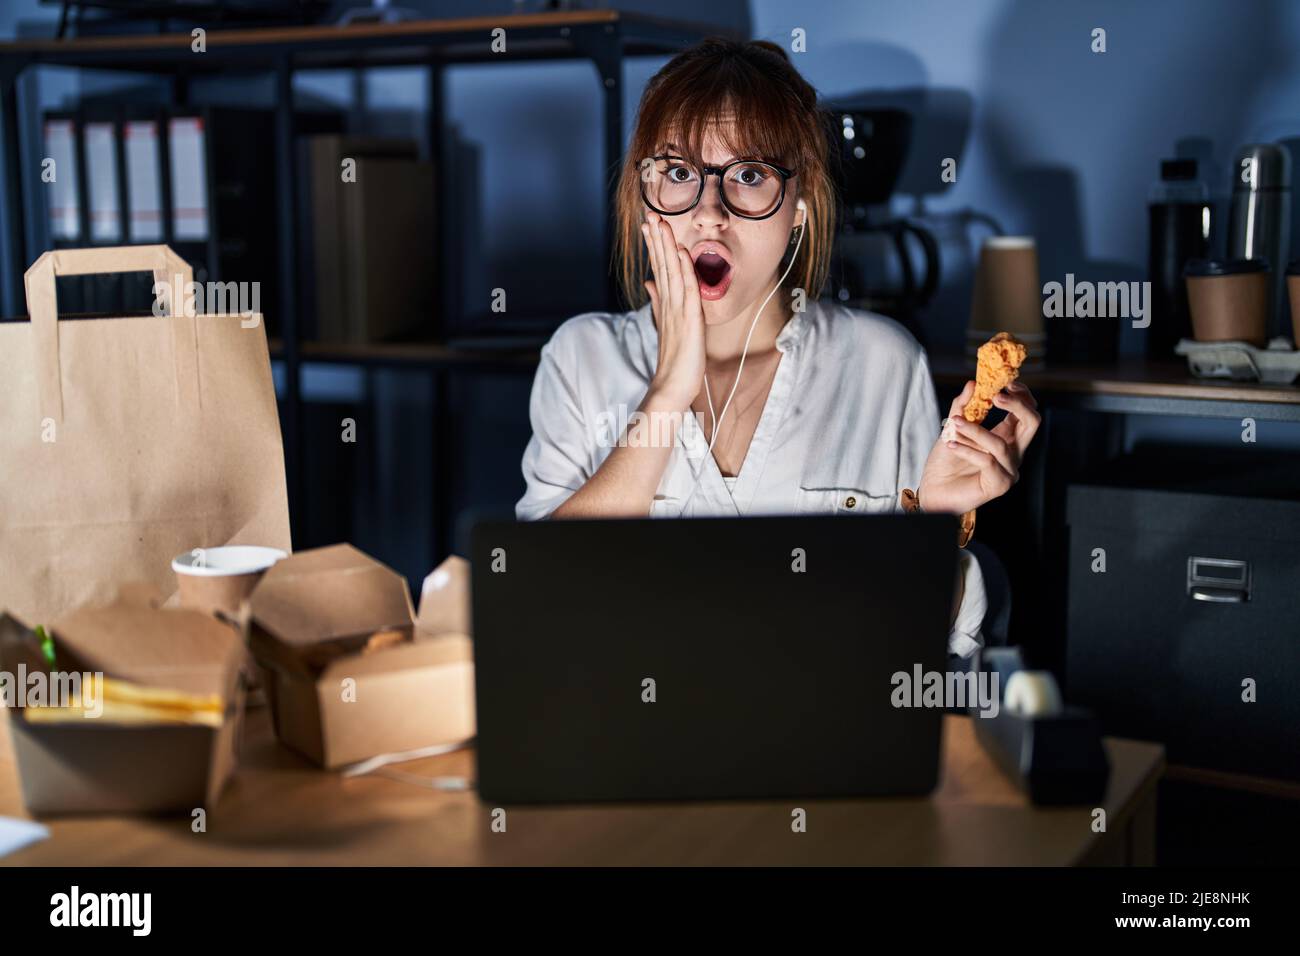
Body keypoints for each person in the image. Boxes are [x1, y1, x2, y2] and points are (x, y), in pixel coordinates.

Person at [516, 38, 1040, 659]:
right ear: (642, 198)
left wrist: (937, 522)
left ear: (801, 203)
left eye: (750, 175)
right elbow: (536, 607)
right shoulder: (580, 360)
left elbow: (917, 656)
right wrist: (667, 395)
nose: (710, 213)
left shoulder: (883, 363)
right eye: (680, 173)